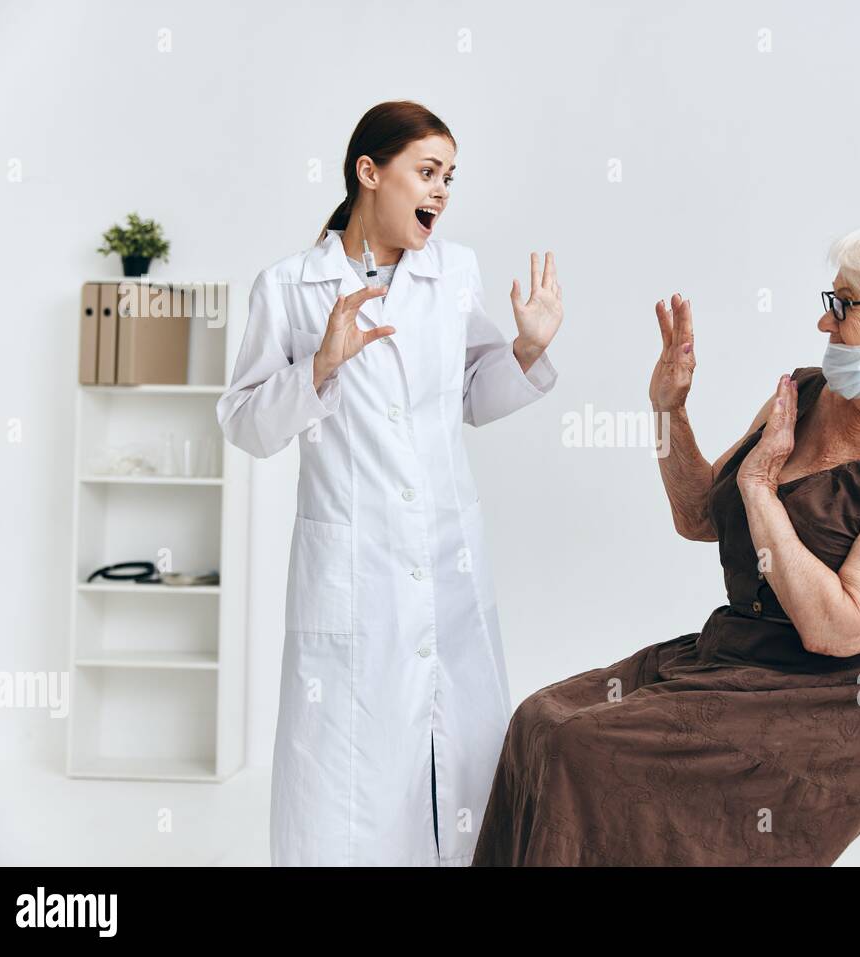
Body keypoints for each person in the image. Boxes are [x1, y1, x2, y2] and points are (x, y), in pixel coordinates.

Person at [472, 217, 860, 866]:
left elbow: (836, 627)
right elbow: (698, 514)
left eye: (843, 305)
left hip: (824, 703)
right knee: (540, 720)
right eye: (826, 302)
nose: (823, 324)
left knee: (583, 750)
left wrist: (760, 490)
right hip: (734, 656)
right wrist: (669, 410)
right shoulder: (809, 394)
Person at [216, 101, 563, 866]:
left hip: (446, 558)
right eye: (427, 172)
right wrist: (319, 368)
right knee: (349, 777)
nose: (441, 191)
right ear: (369, 173)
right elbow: (243, 422)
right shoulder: (288, 287)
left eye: (449, 177)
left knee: (461, 763)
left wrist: (528, 351)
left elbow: (472, 393)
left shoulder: (454, 270)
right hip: (353, 569)